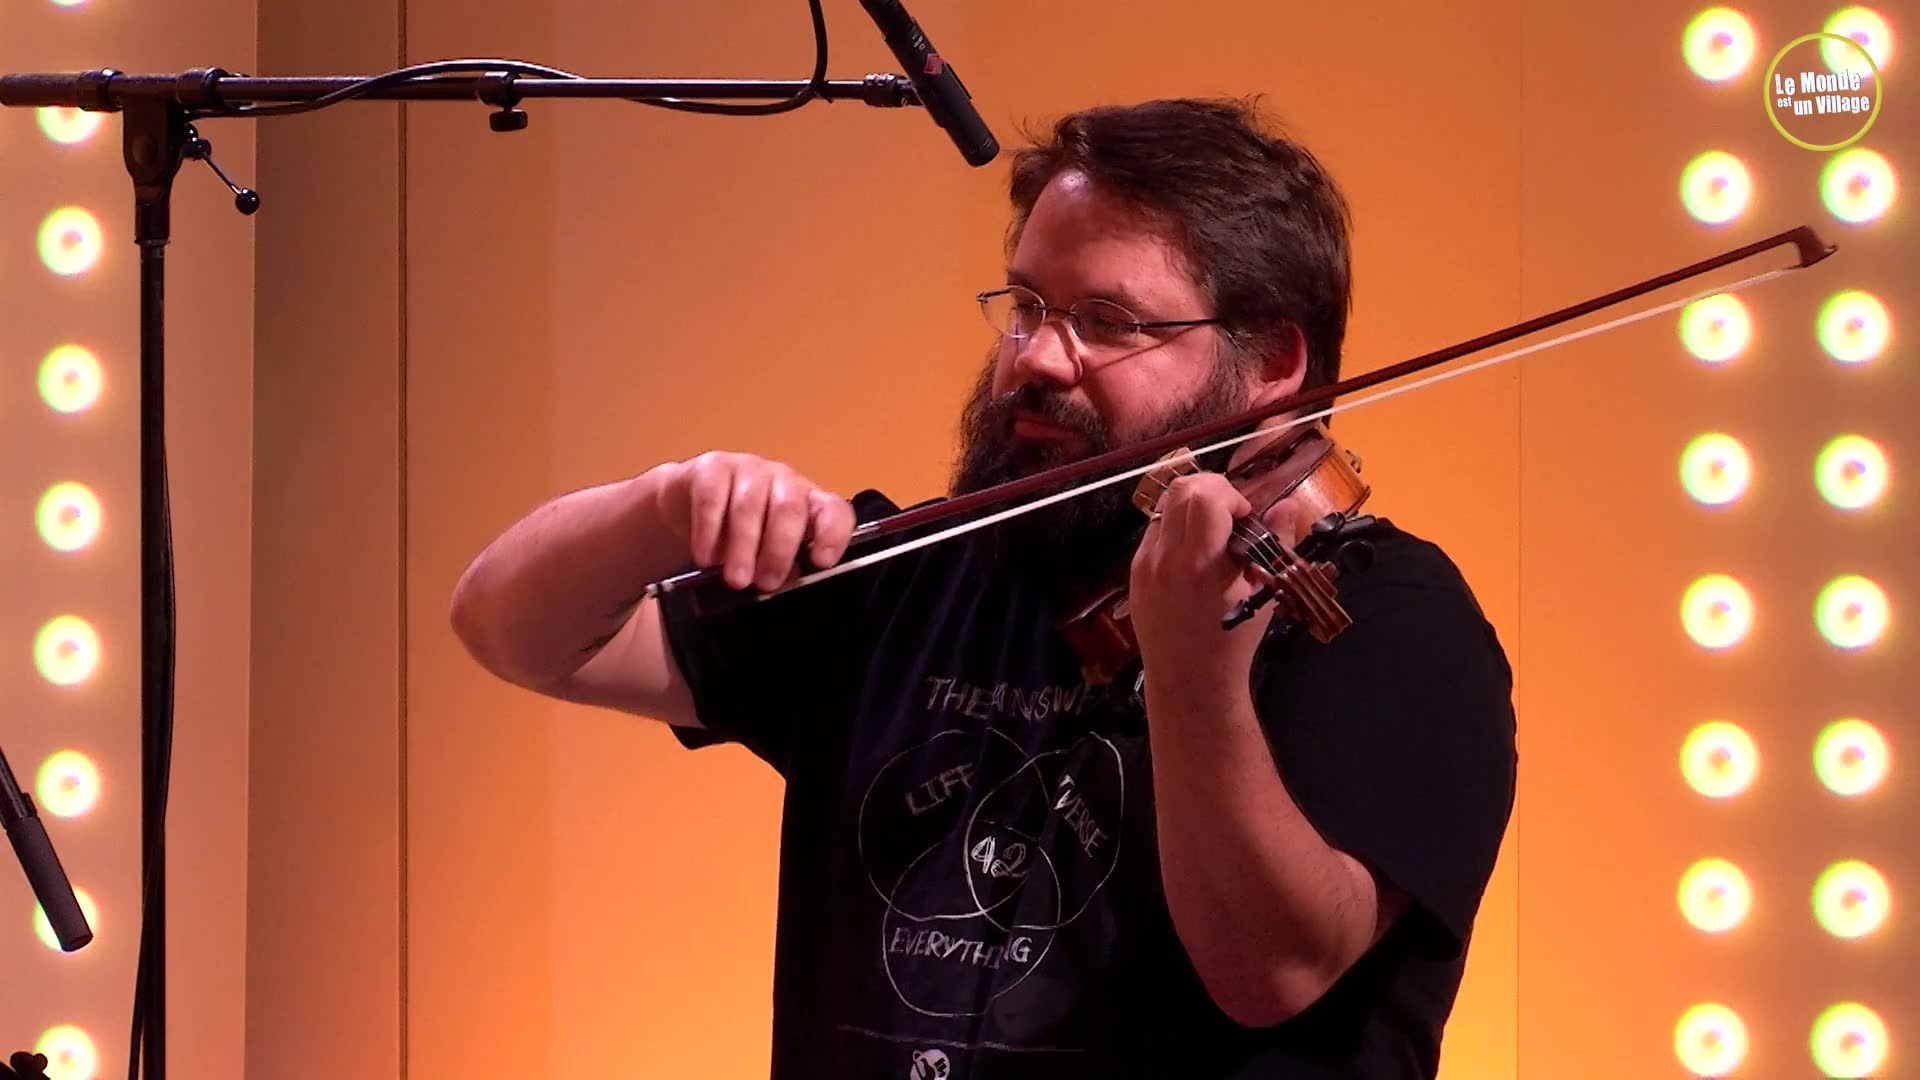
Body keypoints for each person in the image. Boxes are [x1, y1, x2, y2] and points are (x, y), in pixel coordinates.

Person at [450, 97, 1517, 1078]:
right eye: (1026, 304)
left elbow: (1275, 969)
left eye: (1109, 321)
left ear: (1277, 361)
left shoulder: (1390, 622)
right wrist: (662, 507)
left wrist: (1194, 681)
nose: (1037, 360)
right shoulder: (923, 568)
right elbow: (513, 630)